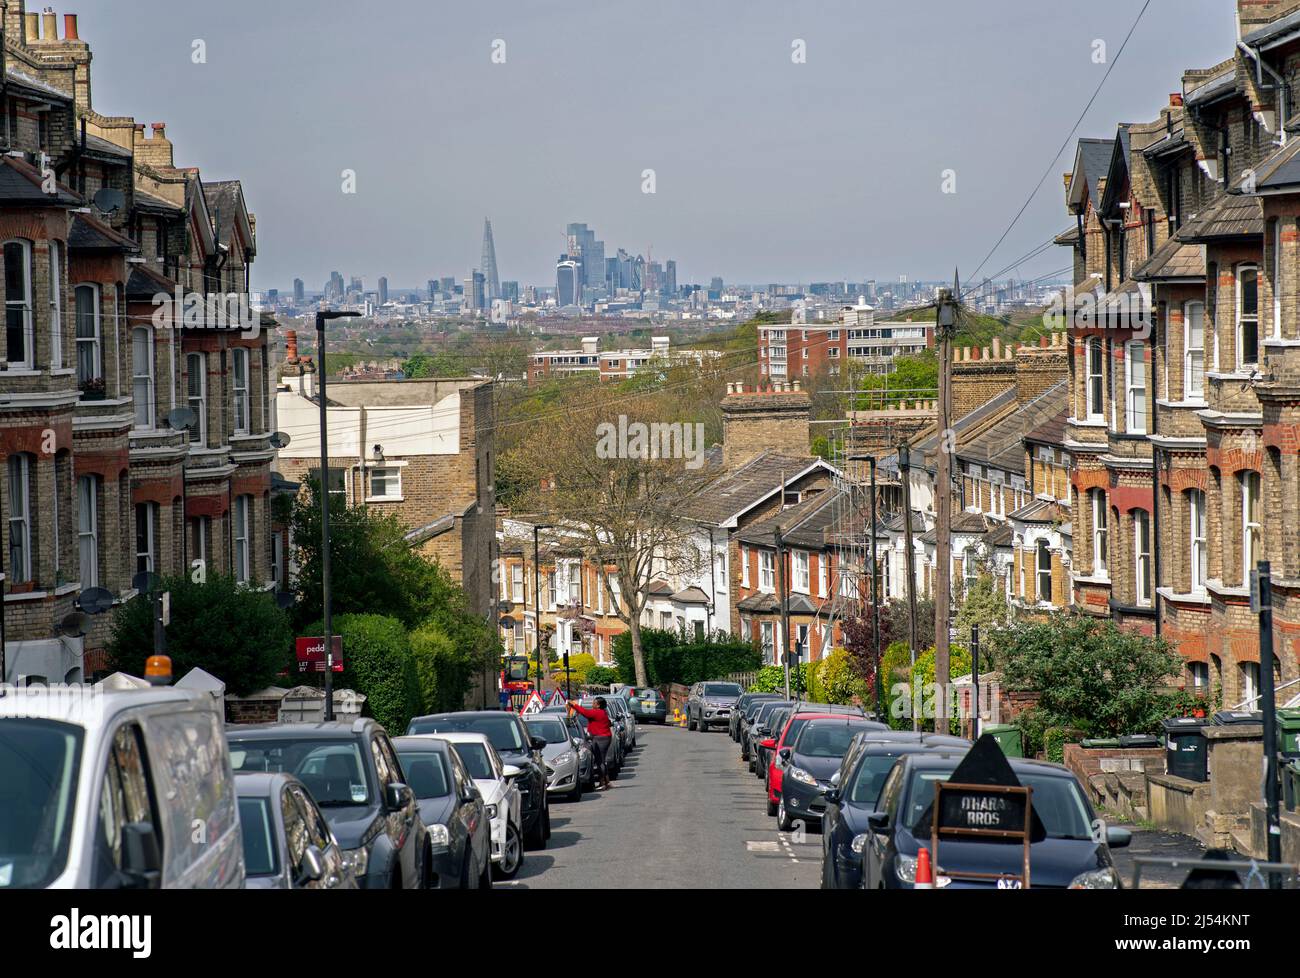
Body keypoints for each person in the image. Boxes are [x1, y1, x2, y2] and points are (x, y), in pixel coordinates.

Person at [569, 697, 613, 790]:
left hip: (601, 738)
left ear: (598, 705)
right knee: (601, 760)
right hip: (603, 737)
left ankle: (603, 783)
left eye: (594, 703)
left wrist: (574, 705)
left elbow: (585, 713)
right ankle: (606, 782)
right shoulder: (602, 712)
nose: (592, 705)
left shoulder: (597, 712)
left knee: (600, 760)